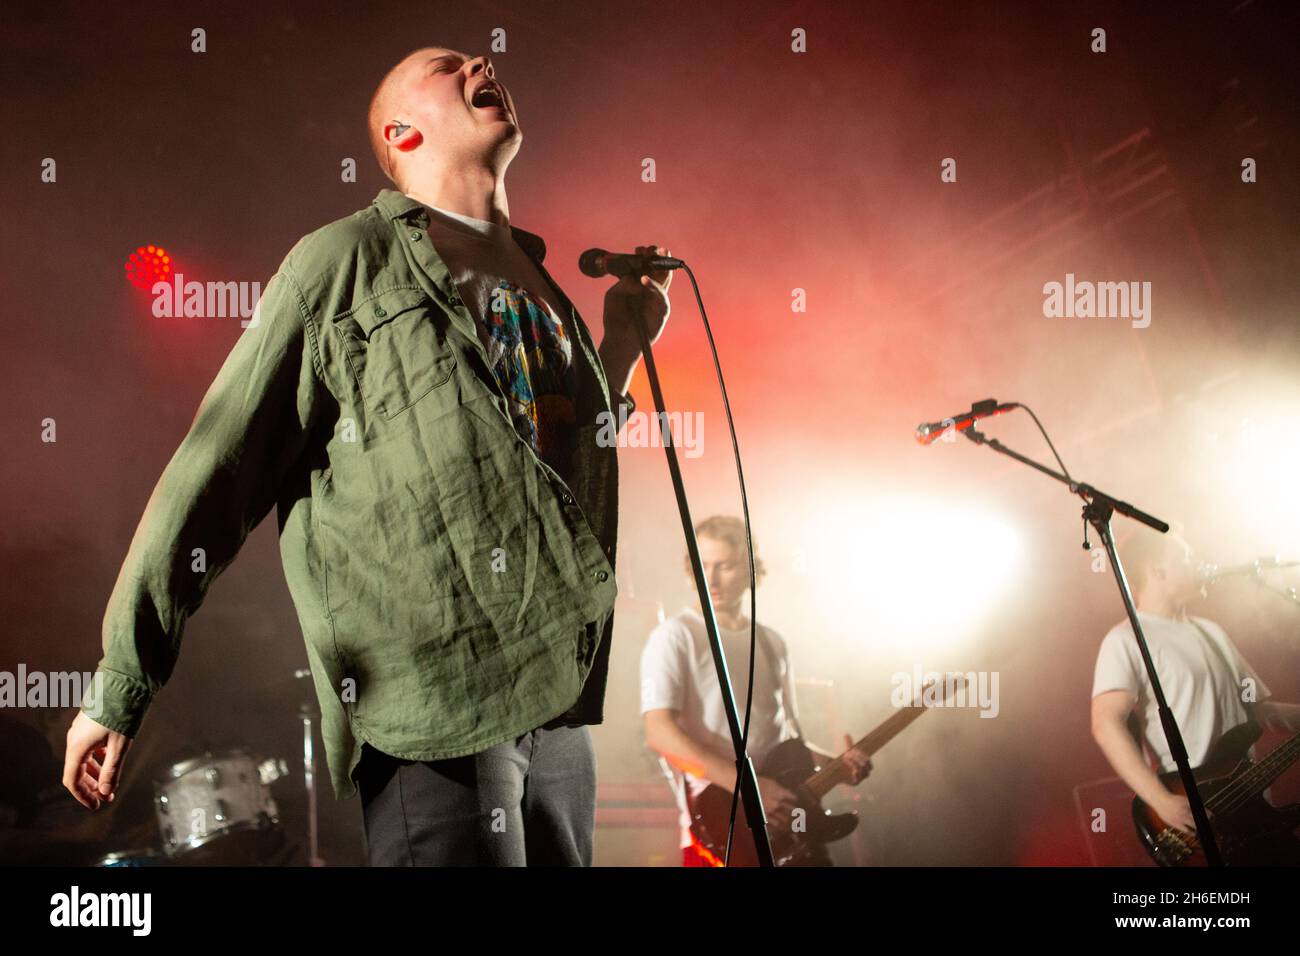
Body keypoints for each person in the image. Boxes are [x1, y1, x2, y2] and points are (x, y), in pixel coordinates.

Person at [63, 45, 674, 866]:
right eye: (447, 65)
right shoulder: (341, 264)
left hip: (557, 694)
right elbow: (212, 473)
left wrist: (619, 351)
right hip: (439, 697)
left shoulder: (537, 282)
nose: (482, 60)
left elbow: (550, 465)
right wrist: (122, 684)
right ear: (400, 131)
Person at [640, 515, 871, 866]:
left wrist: (836, 765)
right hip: (722, 824)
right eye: (702, 565)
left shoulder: (770, 642)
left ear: (750, 568)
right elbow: (659, 733)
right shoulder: (675, 636)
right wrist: (749, 787)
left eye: (726, 566)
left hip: (786, 815)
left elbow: (782, 740)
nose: (711, 578)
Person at [1090, 530, 1300, 861]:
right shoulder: (1126, 640)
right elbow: (1106, 725)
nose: (1200, 563)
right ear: (1157, 571)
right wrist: (1160, 800)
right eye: (1187, 557)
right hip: (1201, 817)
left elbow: (1256, 712)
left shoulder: (1210, 630)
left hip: (1254, 810)